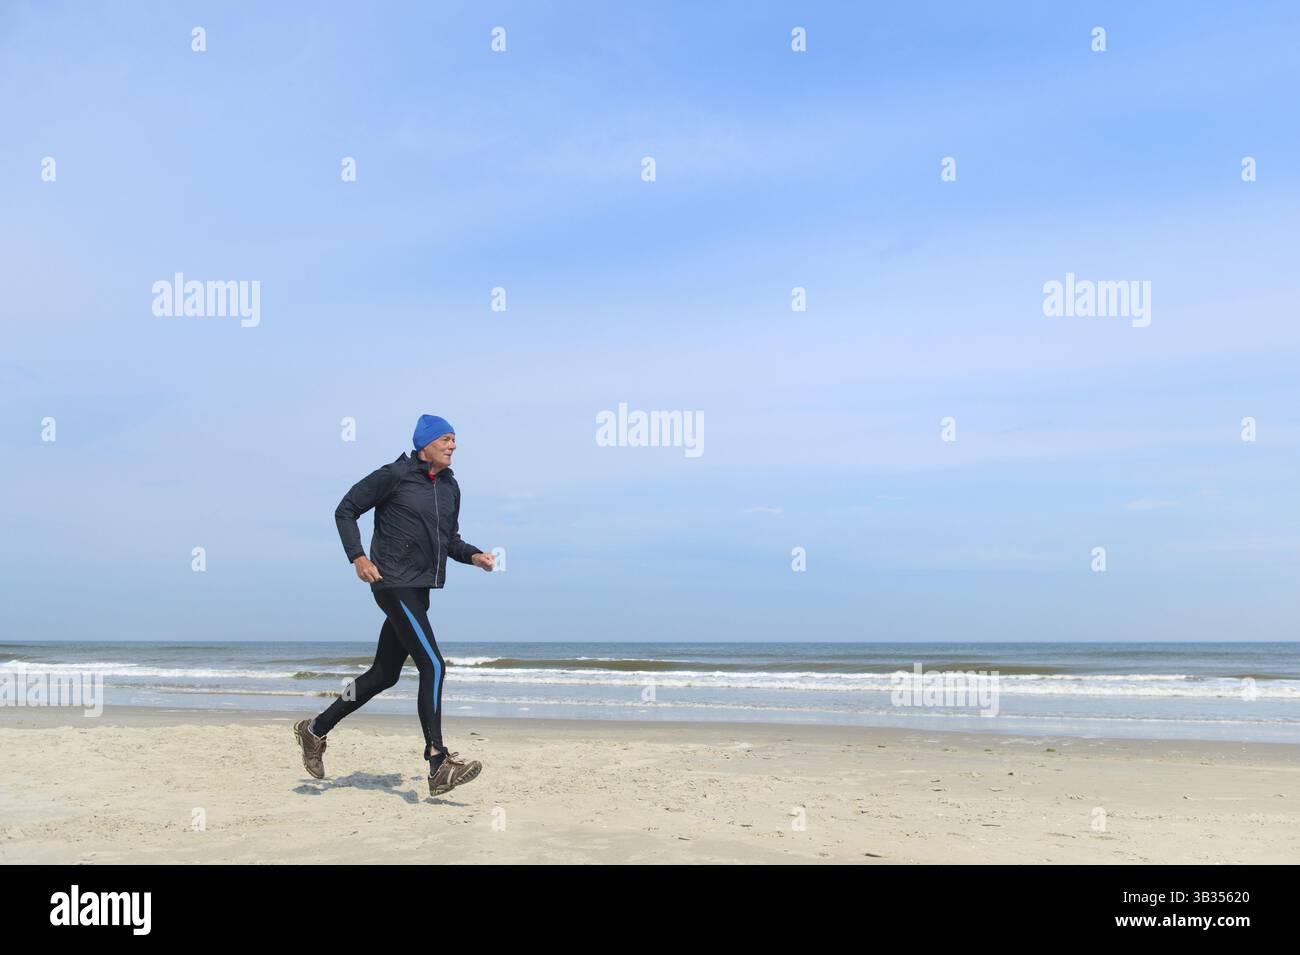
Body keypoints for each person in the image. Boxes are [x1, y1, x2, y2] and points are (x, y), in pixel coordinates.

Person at [293, 414, 495, 797]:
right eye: (446, 439)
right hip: (392, 584)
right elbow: (346, 509)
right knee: (433, 664)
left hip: (419, 590)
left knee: (384, 674)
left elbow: (450, 540)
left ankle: (315, 729)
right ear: (426, 444)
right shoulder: (394, 475)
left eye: (455, 440)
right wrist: (358, 557)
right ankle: (438, 761)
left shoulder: (449, 487)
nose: (453, 446)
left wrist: (474, 556)